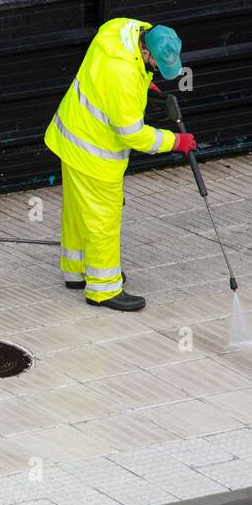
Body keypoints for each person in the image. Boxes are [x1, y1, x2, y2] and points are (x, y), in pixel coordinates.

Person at [43, 18, 196, 311]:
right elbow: (133, 135)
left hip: (71, 135)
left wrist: (144, 80)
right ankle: (104, 288)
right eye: (155, 66)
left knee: (77, 210)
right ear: (147, 52)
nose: (158, 73)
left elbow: (117, 71)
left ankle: (75, 272)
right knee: (103, 220)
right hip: (95, 153)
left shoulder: (120, 29)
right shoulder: (123, 75)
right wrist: (176, 142)